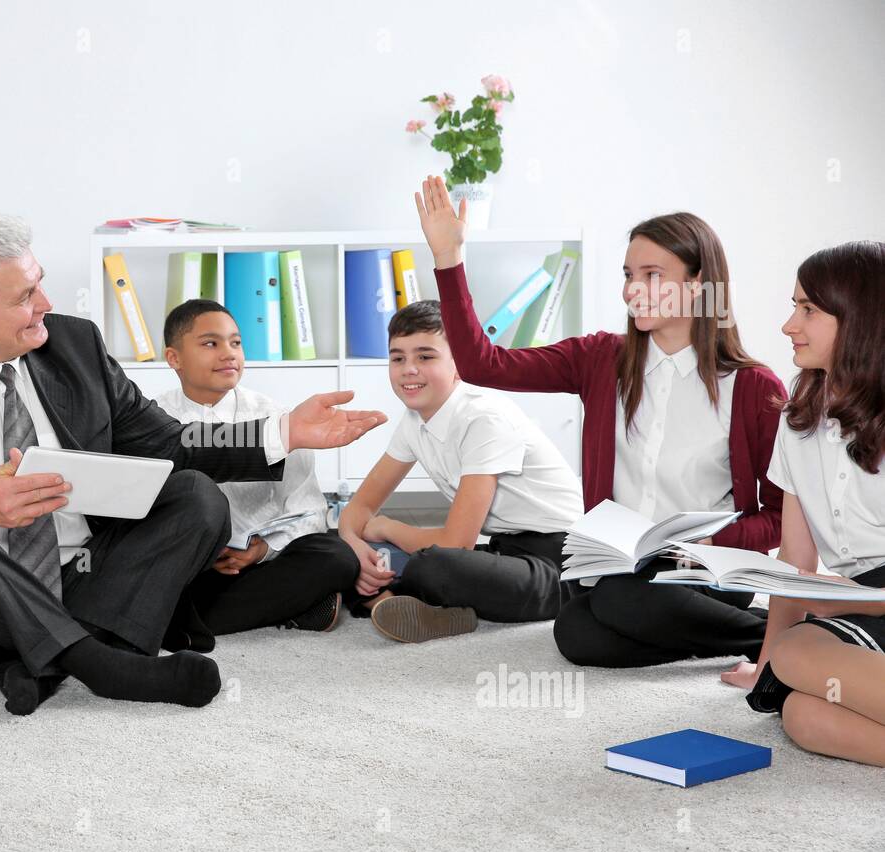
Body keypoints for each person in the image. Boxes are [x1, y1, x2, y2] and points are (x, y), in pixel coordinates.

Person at [0, 213, 384, 715]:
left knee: (194, 495)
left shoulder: (73, 343)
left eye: (39, 283)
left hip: (82, 584)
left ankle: (50, 663)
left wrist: (283, 431)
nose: (44, 303)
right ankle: (103, 663)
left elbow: (171, 443)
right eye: (24, 297)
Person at [413, 174, 785, 665]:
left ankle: (772, 642)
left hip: (703, 573)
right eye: (628, 274)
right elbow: (486, 365)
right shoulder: (600, 359)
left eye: (652, 274)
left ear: (699, 284)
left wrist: (712, 539)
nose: (633, 289)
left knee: (615, 607)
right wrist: (449, 259)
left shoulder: (754, 388)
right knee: (577, 634)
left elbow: (778, 517)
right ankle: (761, 638)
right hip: (617, 570)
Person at [720, 242, 885, 767]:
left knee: (798, 656)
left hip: (866, 597)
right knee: (801, 715)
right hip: (857, 602)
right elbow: (795, 568)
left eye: (808, 309)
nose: (790, 325)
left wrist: (850, 598)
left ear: (860, 320)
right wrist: (764, 661)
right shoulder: (797, 424)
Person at [338, 300, 583, 642]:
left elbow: (457, 542)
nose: (409, 369)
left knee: (432, 566)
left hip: (558, 566)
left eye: (425, 356)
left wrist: (387, 527)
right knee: (344, 554)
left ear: (458, 363)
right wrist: (353, 545)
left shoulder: (484, 418)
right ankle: (402, 604)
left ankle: (387, 599)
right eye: (398, 358)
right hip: (503, 551)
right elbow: (358, 509)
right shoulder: (413, 422)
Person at [155, 299, 359, 644]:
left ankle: (188, 622)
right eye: (210, 343)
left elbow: (309, 511)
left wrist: (261, 550)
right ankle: (294, 606)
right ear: (174, 358)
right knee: (140, 584)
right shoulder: (153, 419)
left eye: (235, 343)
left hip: (262, 562)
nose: (228, 353)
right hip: (190, 568)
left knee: (337, 557)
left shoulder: (279, 421)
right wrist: (201, 556)